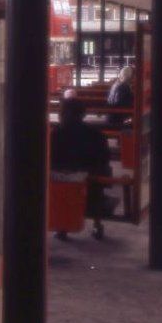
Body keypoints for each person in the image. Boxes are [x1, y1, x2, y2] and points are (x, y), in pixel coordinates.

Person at [50, 98, 114, 237]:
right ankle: (97, 223)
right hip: (89, 191)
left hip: (57, 191)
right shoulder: (96, 135)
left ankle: (62, 227)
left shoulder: (54, 135)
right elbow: (104, 160)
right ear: (83, 114)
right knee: (99, 176)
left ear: (61, 114)